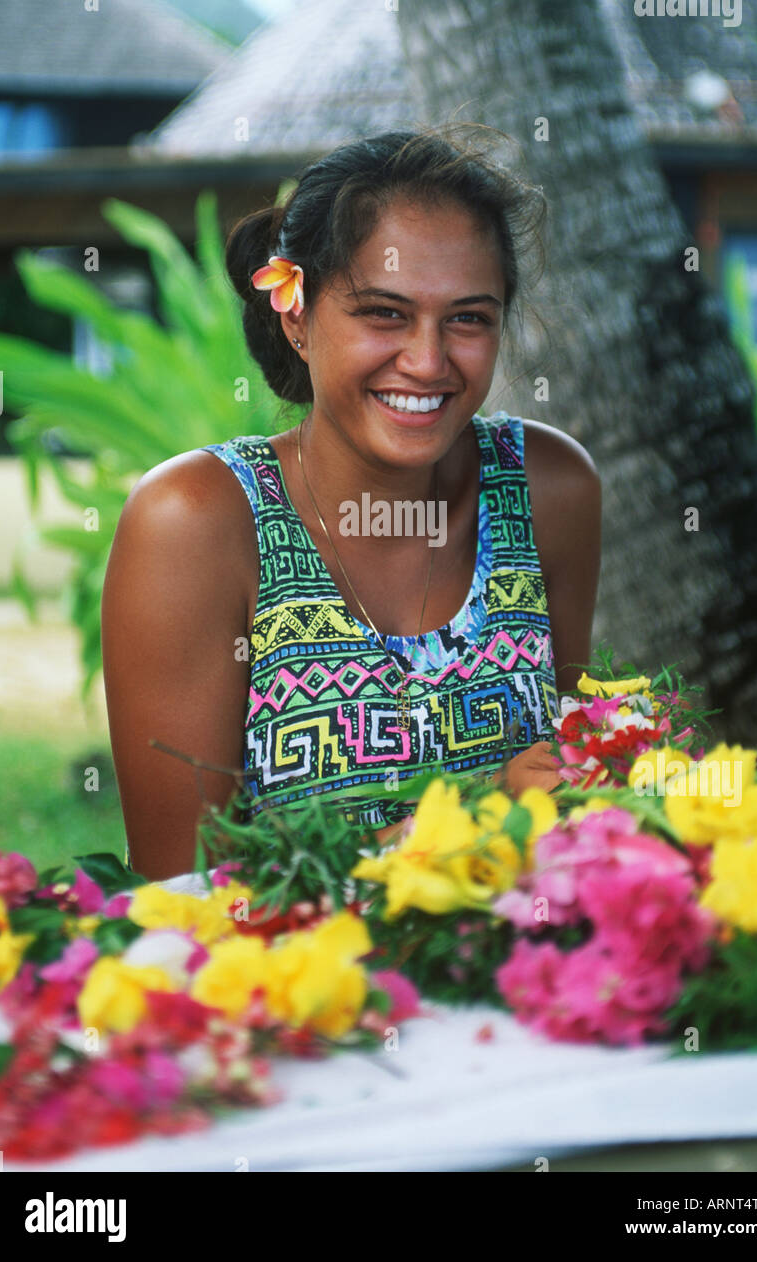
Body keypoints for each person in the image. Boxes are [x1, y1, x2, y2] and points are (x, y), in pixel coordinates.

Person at [101, 130, 601, 881]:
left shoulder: (546, 488)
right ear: (296, 317)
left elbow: (567, 778)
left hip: (528, 986)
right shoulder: (198, 522)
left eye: (467, 318)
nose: (427, 362)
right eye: (383, 313)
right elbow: (182, 904)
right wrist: (475, 819)